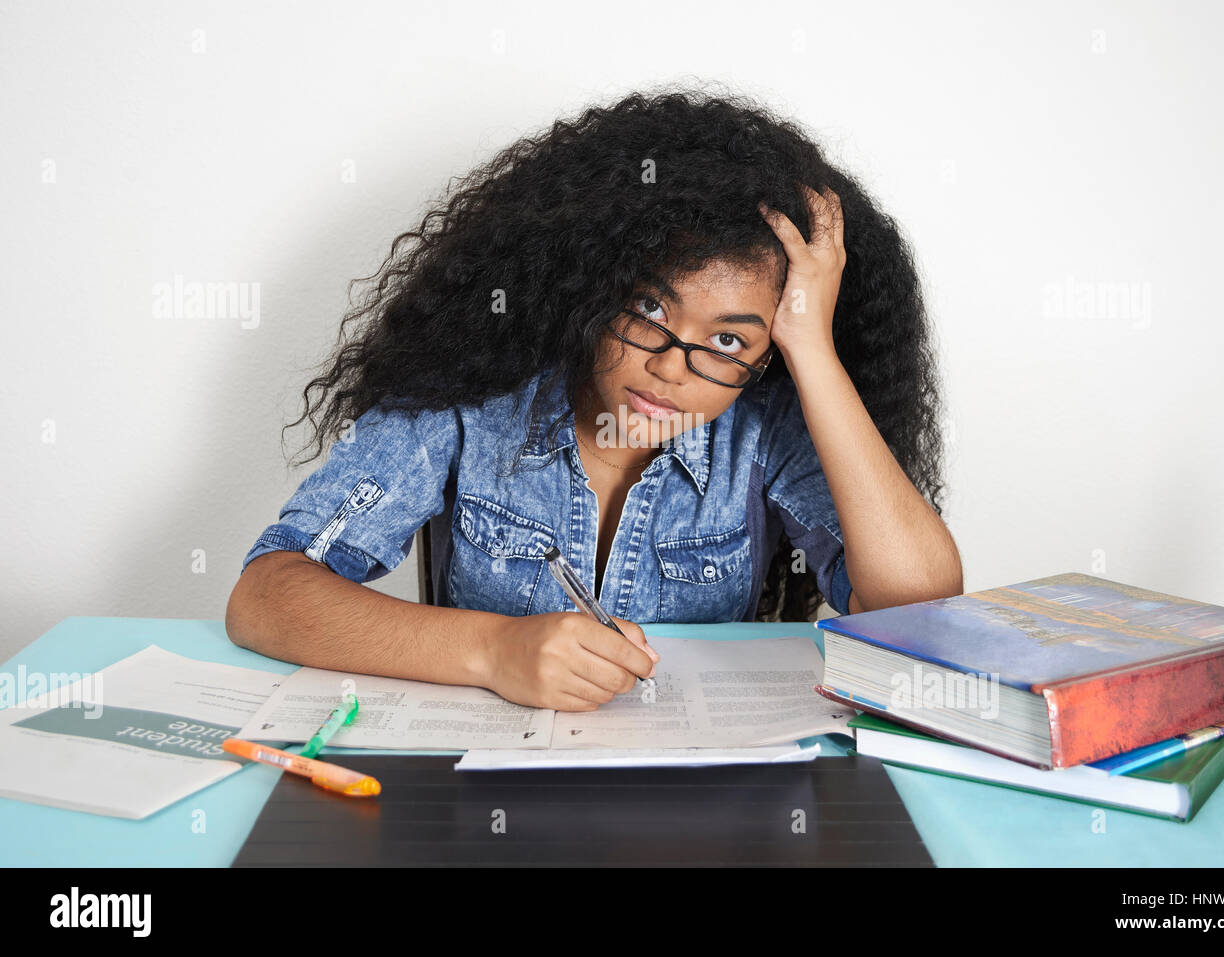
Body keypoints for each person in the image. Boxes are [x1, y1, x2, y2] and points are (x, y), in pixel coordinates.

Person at [226, 86, 962, 713]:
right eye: (649, 308)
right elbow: (266, 595)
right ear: (591, 285)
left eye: (731, 341)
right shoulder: (470, 397)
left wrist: (814, 349)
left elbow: (918, 607)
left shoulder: (767, 426)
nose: (674, 368)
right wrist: (493, 650)